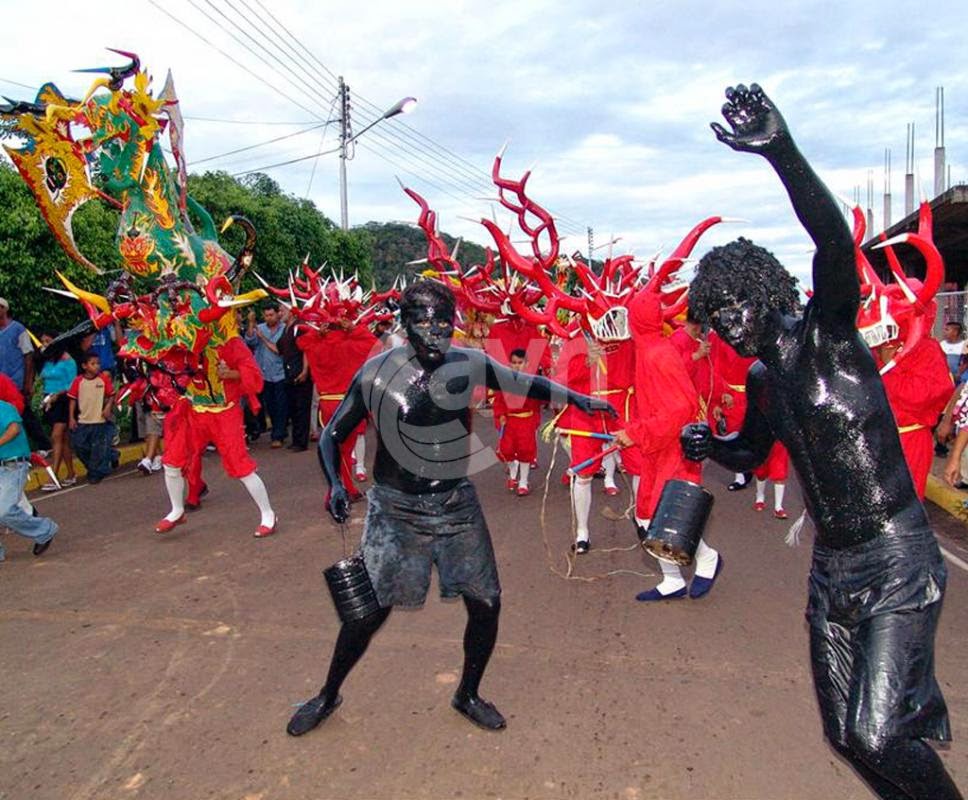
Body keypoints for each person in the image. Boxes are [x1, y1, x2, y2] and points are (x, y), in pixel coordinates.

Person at [682, 84, 961, 800]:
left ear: (768, 288)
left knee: (876, 735)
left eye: (735, 303)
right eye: (715, 316)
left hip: (896, 556)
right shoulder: (762, 380)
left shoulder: (828, 334)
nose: (729, 323)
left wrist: (780, 150)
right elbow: (749, 452)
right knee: (844, 734)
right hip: (833, 570)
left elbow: (834, 242)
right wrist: (708, 443)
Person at [286, 280, 613, 737]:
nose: (436, 331)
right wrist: (335, 486)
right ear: (405, 324)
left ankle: (468, 693)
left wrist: (579, 398)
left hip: (455, 501)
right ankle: (327, 693)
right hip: (395, 508)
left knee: (487, 603)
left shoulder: (467, 362)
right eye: (424, 321)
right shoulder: (376, 373)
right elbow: (333, 434)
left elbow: (524, 381)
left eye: (444, 321)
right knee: (367, 613)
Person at [613, 290, 721, 601]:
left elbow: (678, 410)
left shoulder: (656, 353)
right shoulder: (651, 349)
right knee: (649, 516)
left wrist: (636, 433)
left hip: (672, 448)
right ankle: (673, 580)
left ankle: (707, 558)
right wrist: (634, 431)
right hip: (660, 447)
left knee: (664, 516)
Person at [155, 335, 276, 537]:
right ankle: (177, 510)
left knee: (241, 467)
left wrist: (231, 374)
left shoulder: (232, 343)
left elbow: (255, 380)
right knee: (172, 462)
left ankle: (268, 514)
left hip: (225, 413)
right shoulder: (182, 340)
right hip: (195, 412)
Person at [874, 335, 951, 500]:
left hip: (908, 439)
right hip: (869, 438)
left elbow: (919, 397)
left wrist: (889, 366)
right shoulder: (866, 343)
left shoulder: (925, 347)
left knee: (902, 508)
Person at [0, 397, 58, 561]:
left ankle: (44, 529)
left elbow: (14, 429)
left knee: (3, 511)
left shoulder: (4, 408)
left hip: (12, 465)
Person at [0, 297, 50, 452]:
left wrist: (28, 382)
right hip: (3, 381)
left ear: (5, 309)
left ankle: (43, 445)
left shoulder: (18, 329)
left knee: (24, 412)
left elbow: (28, 355)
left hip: (16, 379)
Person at [491, 348, 543, 496]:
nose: (517, 365)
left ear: (527, 364)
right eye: (514, 363)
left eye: (520, 363)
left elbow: (539, 403)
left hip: (526, 420)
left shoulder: (533, 381)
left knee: (525, 451)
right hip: (509, 421)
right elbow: (499, 401)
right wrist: (500, 415)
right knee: (506, 450)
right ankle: (513, 474)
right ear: (509, 364)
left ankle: (523, 481)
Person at [67, 351, 117, 484]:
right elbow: (72, 400)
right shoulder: (78, 381)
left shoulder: (103, 379)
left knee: (97, 448)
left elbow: (111, 394)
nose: (96, 366)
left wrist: (107, 408)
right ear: (84, 366)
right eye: (93, 364)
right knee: (80, 446)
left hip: (99, 420)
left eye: (98, 363)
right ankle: (110, 456)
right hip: (83, 420)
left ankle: (95, 473)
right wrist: (71, 417)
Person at [38, 332, 77, 489]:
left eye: (48, 341)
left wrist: (57, 395)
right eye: (43, 342)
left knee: (56, 436)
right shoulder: (48, 361)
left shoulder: (69, 361)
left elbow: (72, 385)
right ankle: (71, 472)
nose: (45, 344)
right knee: (63, 439)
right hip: (49, 400)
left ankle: (53, 476)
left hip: (63, 400)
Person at [245, 304, 288, 448]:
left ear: (277, 315)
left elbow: (278, 349)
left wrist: (262, 337)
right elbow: (249, 340)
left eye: (271, 315)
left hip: (280, 373)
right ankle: (277, 430)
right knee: (270, 405)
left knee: (281, 405)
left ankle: (278, 435)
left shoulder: (284, 329)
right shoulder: (260, 327)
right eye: (266, 315)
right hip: (264, 374)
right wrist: (251, 323)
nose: (269, 318)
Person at [278, 310, 312, 452]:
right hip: (289, 372)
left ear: (291, 312)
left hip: (300, 372)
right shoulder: (286, 329)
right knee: (293, 408)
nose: (280, 314)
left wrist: (305, 370)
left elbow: (307, 349)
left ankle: (302, 442)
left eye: (282, 310)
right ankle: (296, 440)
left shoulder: (300, 327)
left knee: (302, 408)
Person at [939, 321, 967, 385]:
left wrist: (958, 375)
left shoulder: (964, 345)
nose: (944, 332)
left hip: (960, 380)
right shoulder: (942, 344)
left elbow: (965, 363)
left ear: (955, 332)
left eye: (947, 330)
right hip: (944, 380)